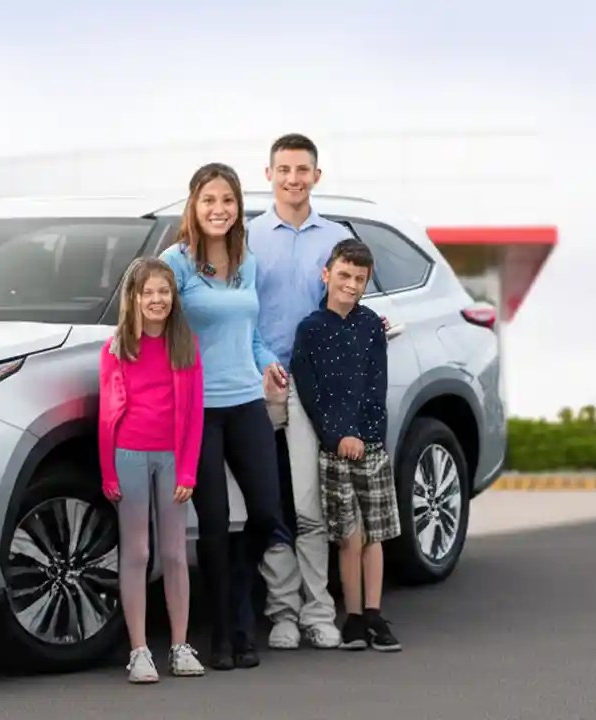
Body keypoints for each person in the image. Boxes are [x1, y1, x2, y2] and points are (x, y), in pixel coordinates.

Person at [160, 162, 296, 671]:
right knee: (213, 524)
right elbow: (155, 326)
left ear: (239, 208)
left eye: (228, 201)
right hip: (197, 408)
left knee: (267, 514)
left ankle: (238, 606)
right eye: (209, 200)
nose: (219, 210)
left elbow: (253, 335)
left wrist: (269, 365)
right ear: (193, 205)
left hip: (245, 402)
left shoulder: (248, 261)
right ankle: (223, 632)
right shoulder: (174, 264)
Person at [247, 132, 353, 650]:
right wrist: (263, 362)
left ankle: (318, 612)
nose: (293, 179)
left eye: (302, 170)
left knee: (310, 506)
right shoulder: (246, 238)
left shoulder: (334, 239)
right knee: (269, 506)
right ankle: (282, 613)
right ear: (268, 175)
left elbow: (349, 306)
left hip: (312, 390)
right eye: (283, 170)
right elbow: (238, 313)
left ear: (316, 175)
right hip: (259, 384)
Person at [289, 239, 403, 652]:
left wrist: (366, 434)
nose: (351, 285)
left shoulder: (372, 326)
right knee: (348, 535)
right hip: (334, 448)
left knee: (375, 533)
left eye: (359, 279)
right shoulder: (310, 330)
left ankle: (375, 614)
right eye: (344, 276)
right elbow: (311, 392)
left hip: (370, 444)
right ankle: (352, 616)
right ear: (327, 275)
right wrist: (337, 436)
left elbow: (377, 385)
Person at [98, 256, 208, 683]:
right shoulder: (117, 347)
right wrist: (108, 470)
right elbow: (108, 414)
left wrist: (188, 472)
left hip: (172, 458)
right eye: (149, 293)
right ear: (135, 298)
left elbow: (195, 414)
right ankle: (139, 650)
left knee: (175, 552)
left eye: (164, 291)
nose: (157, 299)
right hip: (129, 455)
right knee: (138, 552)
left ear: (173, 296)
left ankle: (180, 646)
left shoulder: (185, 345)